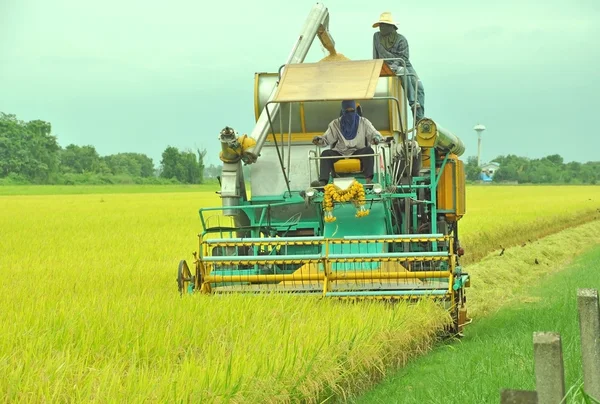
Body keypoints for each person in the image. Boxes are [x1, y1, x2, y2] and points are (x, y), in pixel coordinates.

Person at [311, 100, 384, 187]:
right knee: (325, 154)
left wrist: (376, 138)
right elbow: (326, 139)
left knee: (369, 151)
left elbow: (374, 133)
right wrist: (318, 140)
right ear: (343, 111)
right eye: (347, 111)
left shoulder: (363, 122)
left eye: (352, 111)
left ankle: (368, 181)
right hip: (340, 152)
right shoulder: (335, 124)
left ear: (355, 111)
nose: (350, 114)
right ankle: (322, 183)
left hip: (358, 151)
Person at [372, 12, 425, 123]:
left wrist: (395, 66)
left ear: (391, 27)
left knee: (419, 86)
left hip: (401, 63)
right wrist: (375, 68)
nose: (381, 27)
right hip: (386, 64)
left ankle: (419, 119)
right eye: (380, 24)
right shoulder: (376, 37)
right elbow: (375, 55)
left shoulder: (401, 40)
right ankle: (412, 102)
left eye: (384, 24)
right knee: (403, 72)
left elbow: (404, 58)